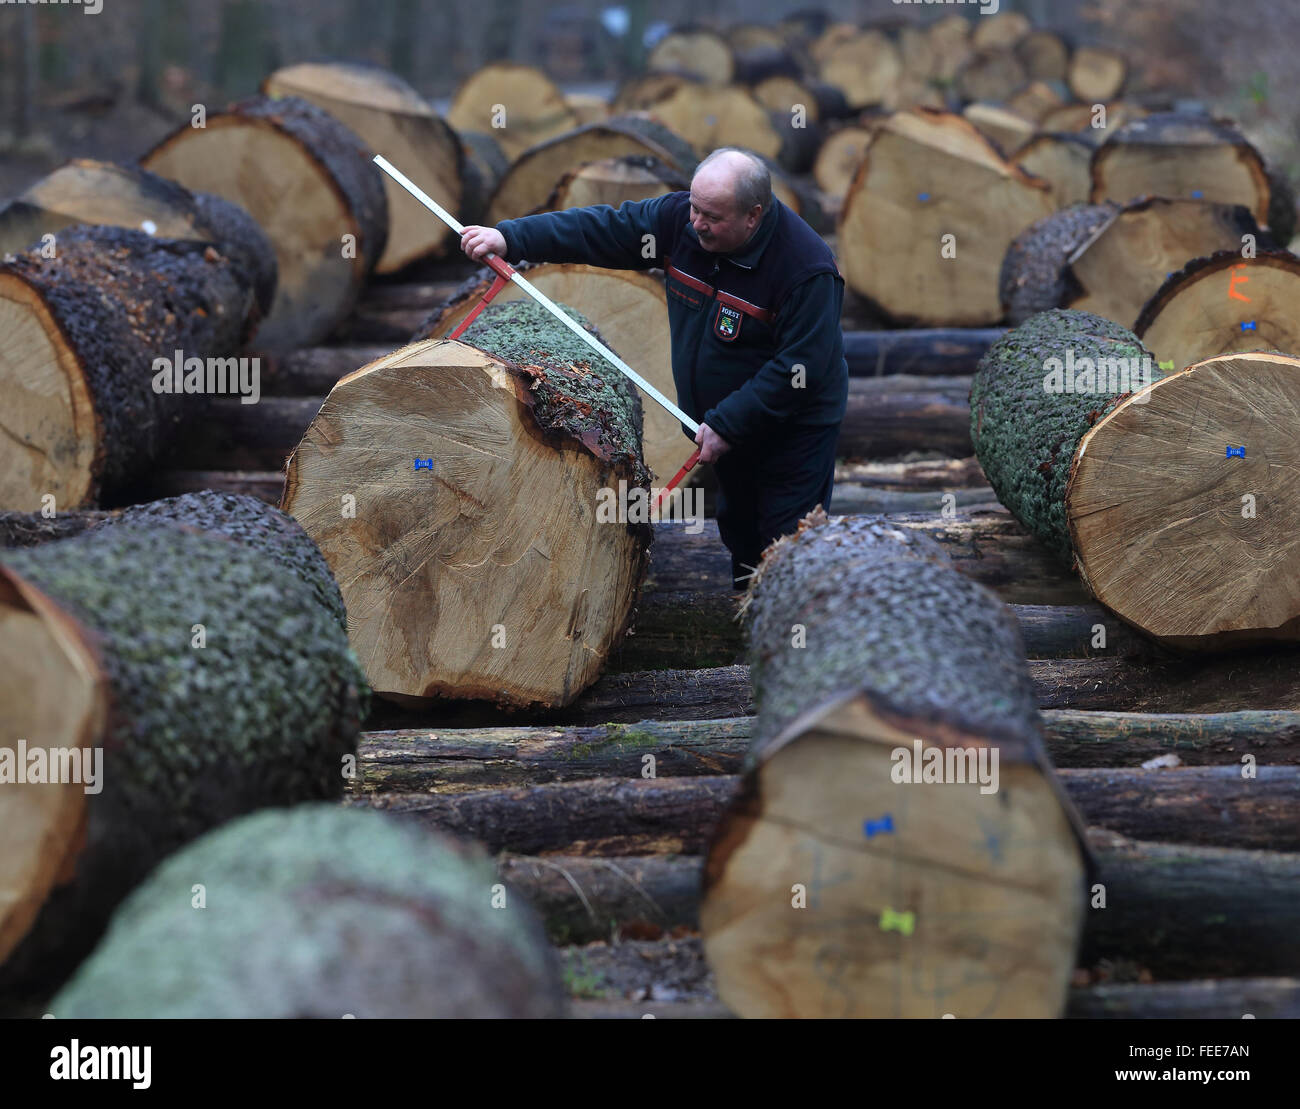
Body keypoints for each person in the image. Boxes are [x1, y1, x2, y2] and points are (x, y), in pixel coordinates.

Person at [459, 147, 848, 589]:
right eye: (695, 208)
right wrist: (512, 238)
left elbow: (801, 369)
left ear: (753, 216)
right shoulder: (679, 220)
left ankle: (795, 640)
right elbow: (602, 228)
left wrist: (730, 422)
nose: (696, 223)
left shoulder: (806, 270)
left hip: (792, 429)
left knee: (784, 544)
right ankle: (754, 629)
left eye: (712, 217)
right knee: (740, 531)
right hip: (722, 425)